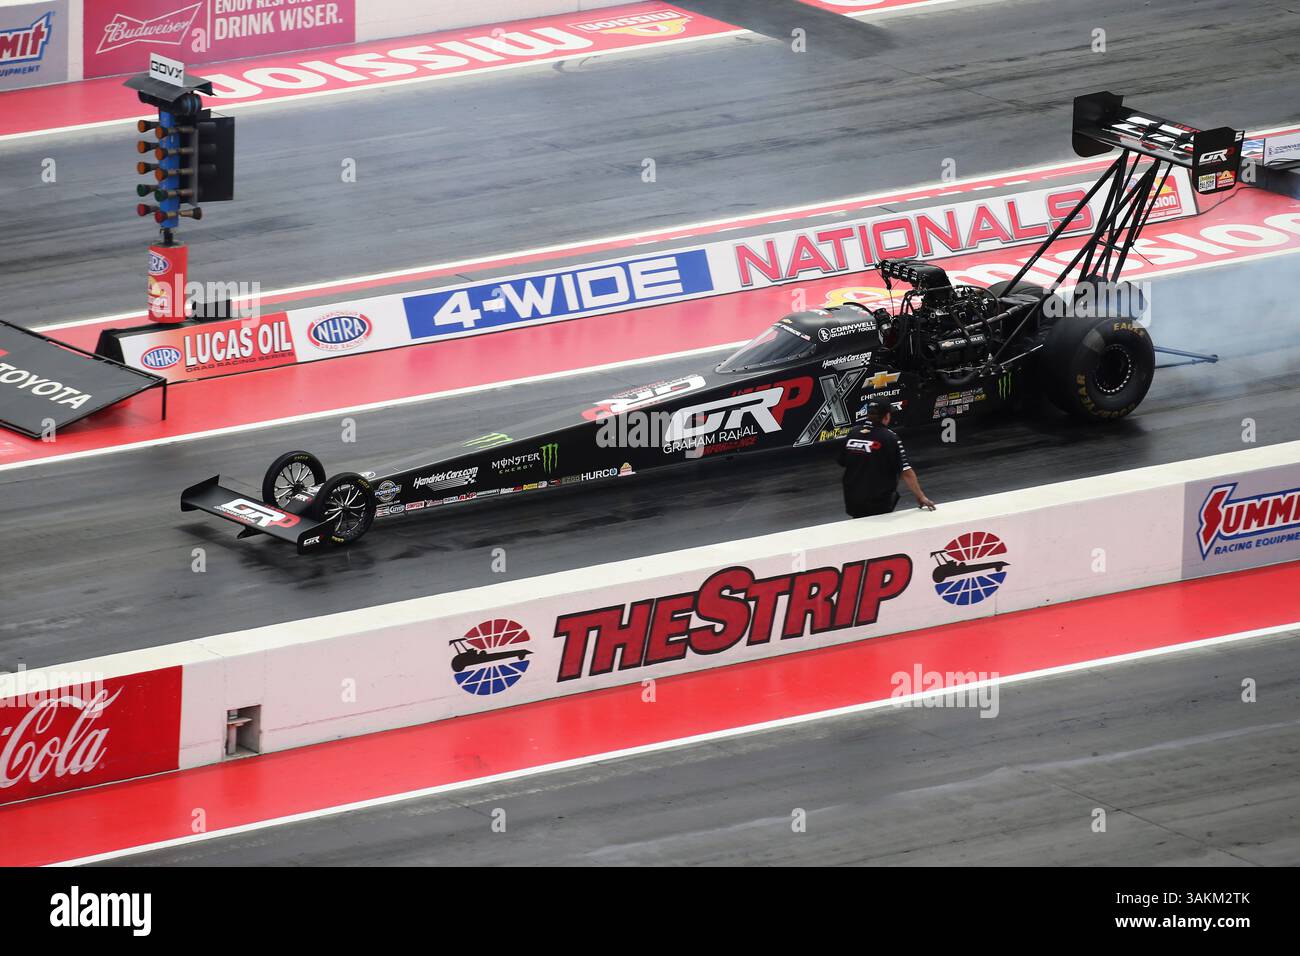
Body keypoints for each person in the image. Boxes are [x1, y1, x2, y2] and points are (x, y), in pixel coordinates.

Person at [838, 401, 936, 516]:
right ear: (886, 416)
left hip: (852, 500)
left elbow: (842, 461)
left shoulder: (853, 433)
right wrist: (921, 496)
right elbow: (906, 471)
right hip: (878, 501)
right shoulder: (890, 437)